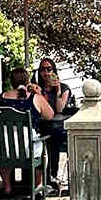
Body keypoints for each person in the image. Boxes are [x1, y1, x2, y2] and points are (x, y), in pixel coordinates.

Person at [0, 67, 55, 197]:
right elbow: (50, 115)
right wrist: (39, 93)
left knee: (5, 148)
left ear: (11, 81)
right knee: (42, 147)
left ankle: (7, 187)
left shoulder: (2, 97)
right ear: (28, 81)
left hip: (4, 146)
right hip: (27, 147)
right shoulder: (35, 98)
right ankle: (37, 186)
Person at [34, 57, 73, 187]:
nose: (46, 73)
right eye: (43, 70)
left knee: (54, 137)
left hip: (56, 126)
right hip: (40, 125)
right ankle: (45, 176)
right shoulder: (37, 88)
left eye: (49, 69)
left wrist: (57, 93)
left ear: (54, 71)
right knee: (50, 136)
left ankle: (52, 174)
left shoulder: (63, 88)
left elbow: (60, 109)